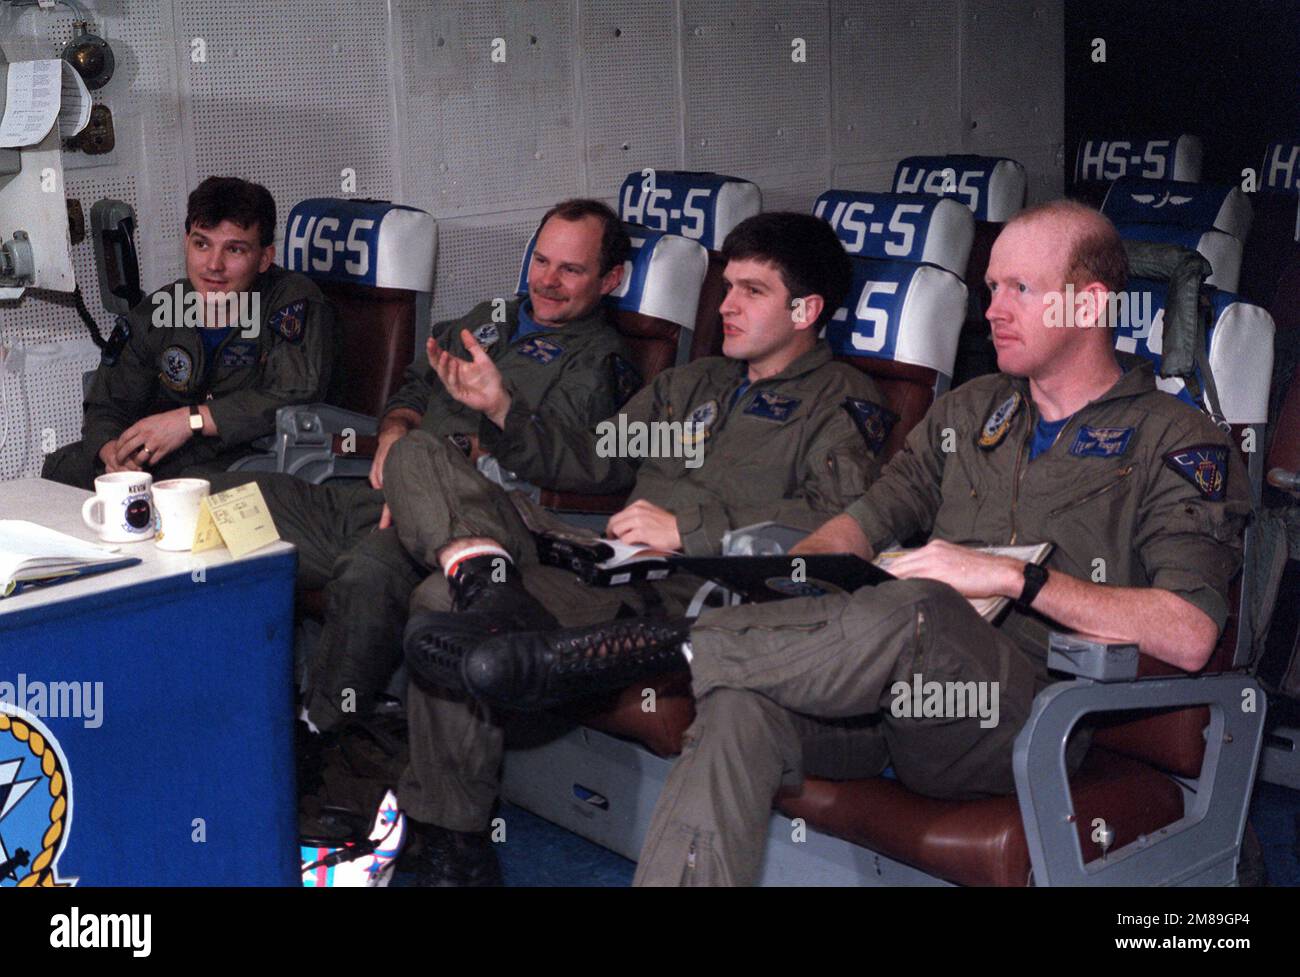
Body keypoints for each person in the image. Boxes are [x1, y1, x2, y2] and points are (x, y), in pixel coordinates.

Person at [443, 199, 1253, 885]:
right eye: (989, 286)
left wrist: (1013, 580)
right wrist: (800, 582)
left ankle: (653, 650)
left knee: (919, 607)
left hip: (1018, 716)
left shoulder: (1175, 441)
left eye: (1019, 289)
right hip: (887, 695)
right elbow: (858, 524)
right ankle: (679, 659)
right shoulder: (971, 410)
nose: (992, 307)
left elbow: (1190, 634)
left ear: (1091, 302)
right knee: (739, 709)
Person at [383, 211, 892, 884]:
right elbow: (594, 460)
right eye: (727, 287)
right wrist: (504, 407)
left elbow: (841, 528)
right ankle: (490, 586)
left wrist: (692, 528)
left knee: (439, 600)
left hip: (683, 600)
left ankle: (455, 843)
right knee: (416, 450)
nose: (727, 306)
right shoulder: (695, 385)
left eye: (752, 291)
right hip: (597, 563)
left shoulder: (840, 402)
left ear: (807, 309)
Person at [211, 198, 638, 736]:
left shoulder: (599, 363)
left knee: (368, 574)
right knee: (209, 501)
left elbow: (575, 463)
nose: (547, 281)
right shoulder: (490, 318)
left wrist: (501, 409)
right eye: (542, 261)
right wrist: (394, 430)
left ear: (610, 279)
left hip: (460, 526)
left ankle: (318, 734)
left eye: (571, 270)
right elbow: (414, 384)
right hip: (373, 497)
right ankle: (201, 696)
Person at [42, 176, 337, 488]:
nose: (213, 265)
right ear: (186, 243)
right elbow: (108, 405)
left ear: (264, 258)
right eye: (202, 244)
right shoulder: (160, 312)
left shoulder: (292, 301)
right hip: (177, 452)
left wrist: (190, 421)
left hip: (254, 452)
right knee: (65, 468)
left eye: (234, 250)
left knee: (188, 488)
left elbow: (292, 395)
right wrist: (113, 453)